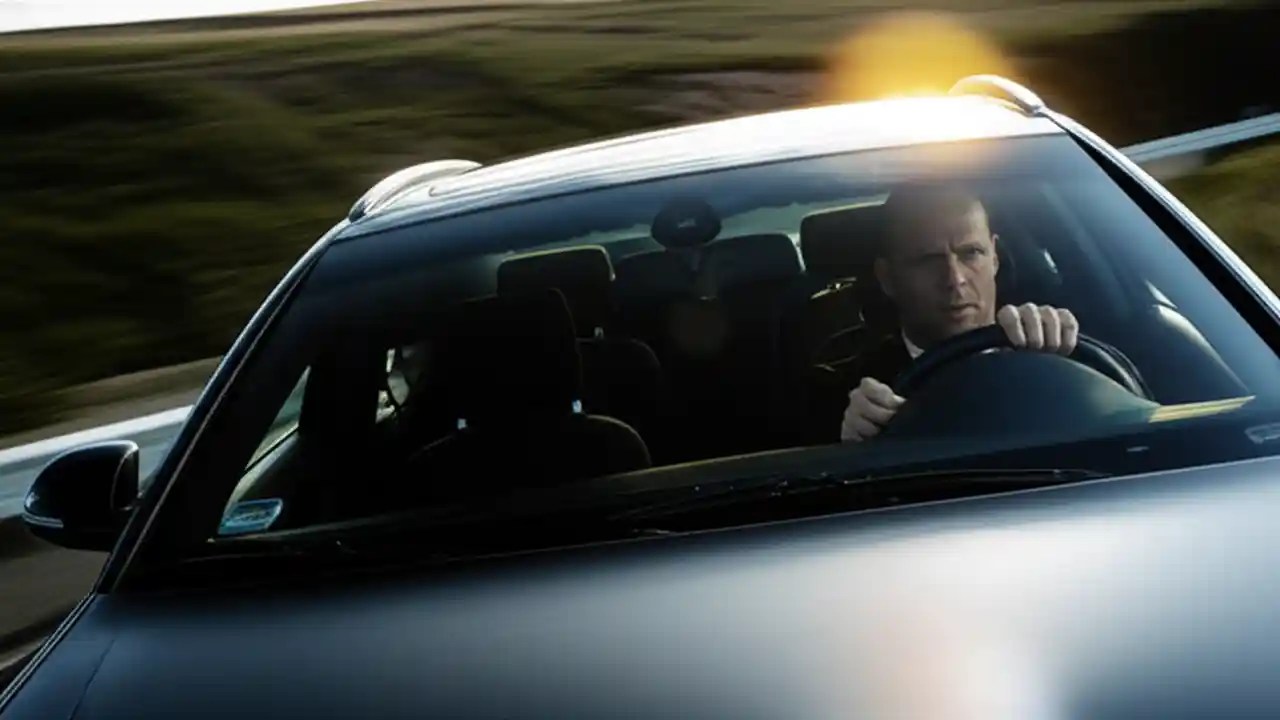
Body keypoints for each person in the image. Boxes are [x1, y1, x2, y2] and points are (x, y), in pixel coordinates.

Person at [837, 183, 1079, 442]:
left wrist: (1064, 370)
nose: (955, 279)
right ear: (887, 278)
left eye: (971, 253)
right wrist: (850, 448)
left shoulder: (1053, 345)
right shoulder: (844, 394)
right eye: (928, 259)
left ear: (994, 259)